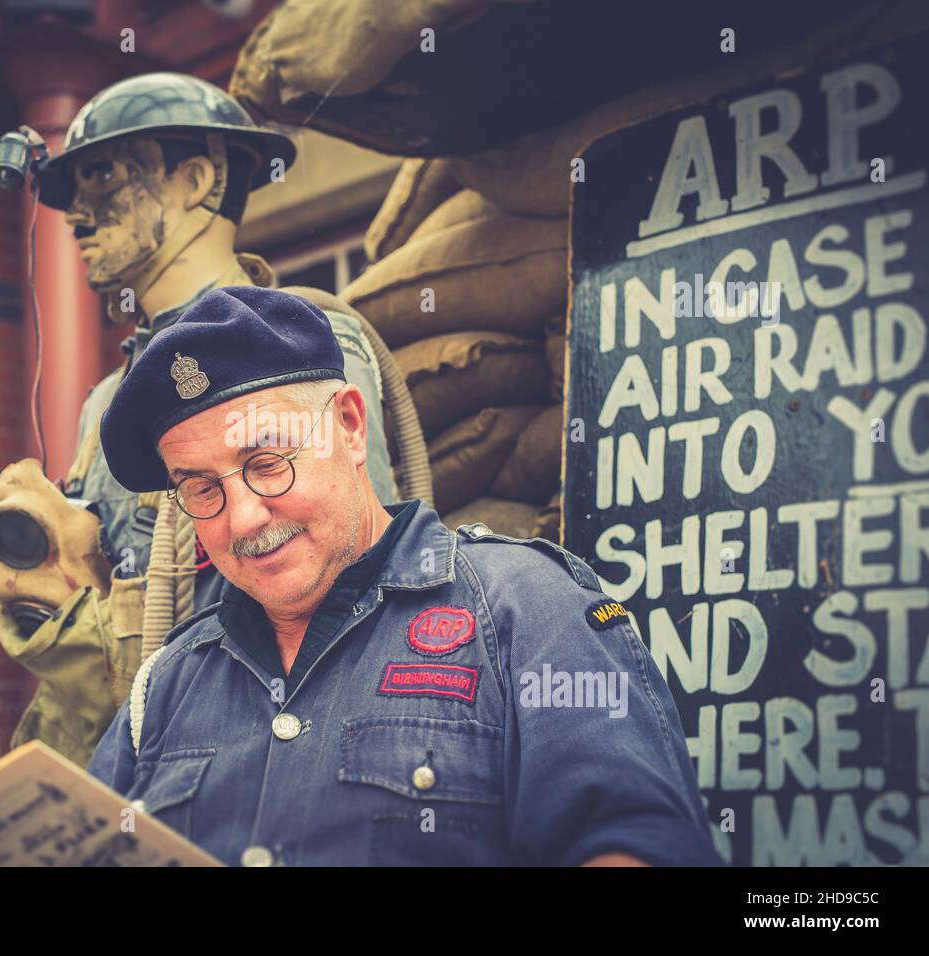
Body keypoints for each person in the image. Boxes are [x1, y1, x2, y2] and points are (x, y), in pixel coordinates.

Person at [86, 284, 722, 867]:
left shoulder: (526, 610)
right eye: (201, 489)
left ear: (350, 426)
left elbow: (637, 845)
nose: (245, 519)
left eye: (268, 461)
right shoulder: (166, 686)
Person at [0, 73, 400, 767]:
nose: (74, 213)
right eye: (69, 190)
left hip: (263, 754)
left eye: (100, 177)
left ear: (195, 180)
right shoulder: (110, 402)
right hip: (138, 750)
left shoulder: (307, 353)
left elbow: (363, 580)